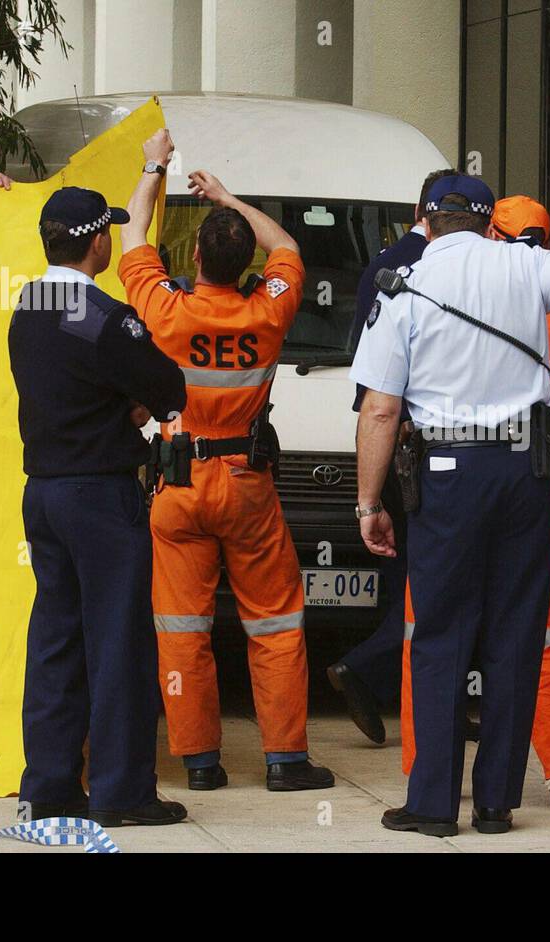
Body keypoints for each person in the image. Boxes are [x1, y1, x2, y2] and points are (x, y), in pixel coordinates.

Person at [352, 174, 550, 836]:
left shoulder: (404, 287)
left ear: (424, 218)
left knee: (440, 634)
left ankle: (434, 805)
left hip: (449, 473)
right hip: (528, 473)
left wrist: (367, 503)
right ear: (486, 220)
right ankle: (497, 803)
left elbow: (381, 408)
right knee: (515, 632)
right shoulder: (525, 266)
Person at [116, 129, 334, 792]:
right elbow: (287, 246)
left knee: (183, 628)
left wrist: (157, 164)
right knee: (273, 623)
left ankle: (200, 762)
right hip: (246, 486)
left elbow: (132, 236)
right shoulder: (267, 311)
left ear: (196, 259)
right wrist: (230, 198)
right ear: (244, 266)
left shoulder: (166, 309)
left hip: (177, 485)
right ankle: (286, 760)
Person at [7, 184, 188, 828]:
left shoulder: (27, 305)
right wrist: (131, 403)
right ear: (97, 242)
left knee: (55, 639)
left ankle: (49, 785)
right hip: (100, 495)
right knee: (117, 642)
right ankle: (121, 791)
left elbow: (70, 382)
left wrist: (118, 398)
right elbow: (167, 386)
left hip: (45, 492)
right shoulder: (104, 317)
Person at [327, 168, 460, 744]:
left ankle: (400, 687)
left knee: (409, 576)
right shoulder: (453, 267)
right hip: (430, 443)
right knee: (432, 582)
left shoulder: (383, 266)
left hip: (386, 437)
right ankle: (377, 669)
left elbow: (370, 381)